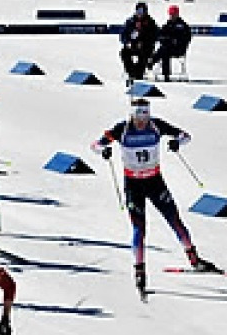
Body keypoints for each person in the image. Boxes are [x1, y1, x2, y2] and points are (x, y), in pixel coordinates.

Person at [91, 98, 218, 296]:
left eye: (145, 117)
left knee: (175, 220)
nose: (142, 122)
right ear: (132, 114)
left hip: (154, 181)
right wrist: (103, 150)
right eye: (138, 117)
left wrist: (177, 142)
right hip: (133, 185)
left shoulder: (157, 125)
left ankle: (194, 259)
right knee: (139, 228)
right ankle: (139, 271)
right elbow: (96, 144)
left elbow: (186, 136)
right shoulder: (122, 129)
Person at [148, 5, 191, 82]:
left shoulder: (183, 26)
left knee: (164, 51)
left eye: (173, 14)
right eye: (171, 14)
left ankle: (153, 61)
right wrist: (164, 39)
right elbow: (160, 35)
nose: (172, 16)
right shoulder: (168, 24)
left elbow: (186, 38)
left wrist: (175, 41)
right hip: (167, 47)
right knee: (165, 51)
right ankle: (165, 74)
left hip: (179, 49)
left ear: (177, 14)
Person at [120, 1, 159, 84]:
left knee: (144, 54)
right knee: (124, 52)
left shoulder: (150, 22)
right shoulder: (131, 21)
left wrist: (144, 42)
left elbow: (154, 36)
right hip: (132, 45)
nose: (140, 14)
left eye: (142, 12)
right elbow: (123, 35)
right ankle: (131, 72)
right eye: (138, 11)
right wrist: (127, 42)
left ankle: (138, 73)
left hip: (145, 47)